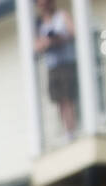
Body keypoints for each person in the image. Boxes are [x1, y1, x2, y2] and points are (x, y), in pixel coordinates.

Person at [34, 0, 78, 138]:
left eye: (46, 3)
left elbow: (74, 33)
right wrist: (47, 42)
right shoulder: (39, 24)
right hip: (52, 67)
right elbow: (36, 46)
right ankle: (67, 130)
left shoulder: (62, 16)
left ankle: (72, 129)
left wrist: (59, 39)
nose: (44, 6)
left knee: (68, 98)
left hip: (66, 63)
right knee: (59, 100)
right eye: (41, 4)